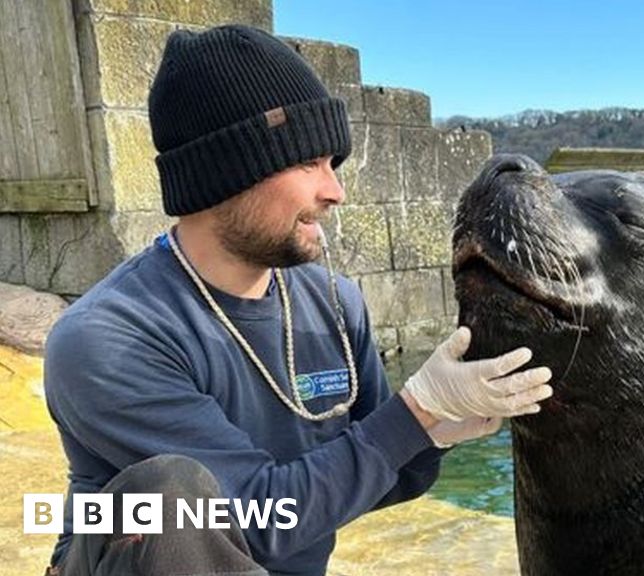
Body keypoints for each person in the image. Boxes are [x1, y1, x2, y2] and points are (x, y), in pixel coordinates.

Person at [42, 24, 553, 576]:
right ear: (225, 173)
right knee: (171, 501)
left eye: (333, 164)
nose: (335, 190)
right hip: (153, 562)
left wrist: (437, 432)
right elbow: (258, 521)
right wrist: (416, 412)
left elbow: (377, 472)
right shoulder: (105, 339)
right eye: (308, 163)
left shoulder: (334, 302)